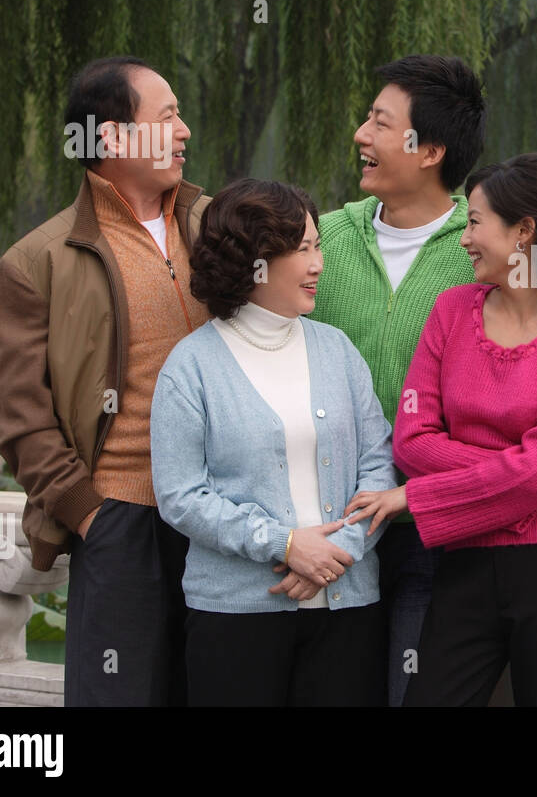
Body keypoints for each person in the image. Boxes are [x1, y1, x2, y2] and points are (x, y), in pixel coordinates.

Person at [308, 55, 537, 707]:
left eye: (380, 123)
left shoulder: (531, 286)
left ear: (429, 148)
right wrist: (529, 470)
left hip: (458, 542)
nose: (360, 134)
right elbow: (414, 438)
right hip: (346, 522)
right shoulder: (322, 241)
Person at [347, 153, 537, 706]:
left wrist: (418, 494)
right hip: (466, 557)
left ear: (524, 231)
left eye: (475, 222)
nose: (464, 238)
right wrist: (527, 474)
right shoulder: (452, 311)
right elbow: (411, 437)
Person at [0, 55, 208, 706]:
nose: (185, 130)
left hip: (224, 520)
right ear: (111, 138)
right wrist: (88, 514)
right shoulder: (37, 263)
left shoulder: (217, 227)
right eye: (167, 116)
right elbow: (23, 416)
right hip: (120, 522)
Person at [150, 179, 396, 706]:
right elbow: (180, 495)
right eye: (302, 248)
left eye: (318, 246)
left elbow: (379, 465)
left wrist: (333, 557)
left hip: (347, 610)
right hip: (235, 615)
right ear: (255, 258)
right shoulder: (191, 368)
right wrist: (286, 546)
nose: (318, 264)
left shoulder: (337, 351)